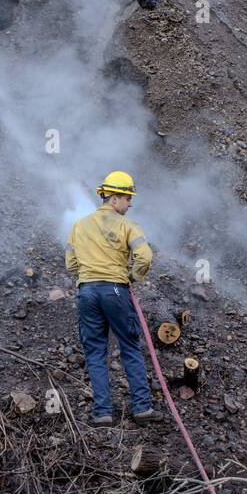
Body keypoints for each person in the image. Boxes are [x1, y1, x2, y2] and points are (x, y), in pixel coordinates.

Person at [65, 170, 159, 425]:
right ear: (115, 198)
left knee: (95, 352)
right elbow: (145, 257)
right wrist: (132, 276)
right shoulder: (127, 225)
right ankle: (141, 409)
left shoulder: (79, 226)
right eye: (128, 198)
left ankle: (103, 412)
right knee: (129, 346)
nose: (130, 204)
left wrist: (89, 272)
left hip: (86, 292)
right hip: (116, 290)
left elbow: (71, 264)